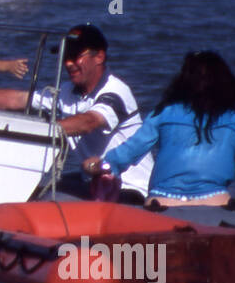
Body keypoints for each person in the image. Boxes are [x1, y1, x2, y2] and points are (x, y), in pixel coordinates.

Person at [82, 50, 235, 206]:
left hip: (162, 204)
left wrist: (97, 165)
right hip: (215, 204)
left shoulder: (163, 114)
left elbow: (127, 154)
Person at [31, 23, 152, 203]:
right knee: (37, 192)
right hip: (94, 182)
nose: (68, 63)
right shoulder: (66, 92)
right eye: (65, 56)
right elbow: (18, 99)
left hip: (131, 190)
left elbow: (88, 122)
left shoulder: (116, 91)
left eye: (75, 56)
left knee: (53, 202)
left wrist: (33, 132)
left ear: (99, 57)